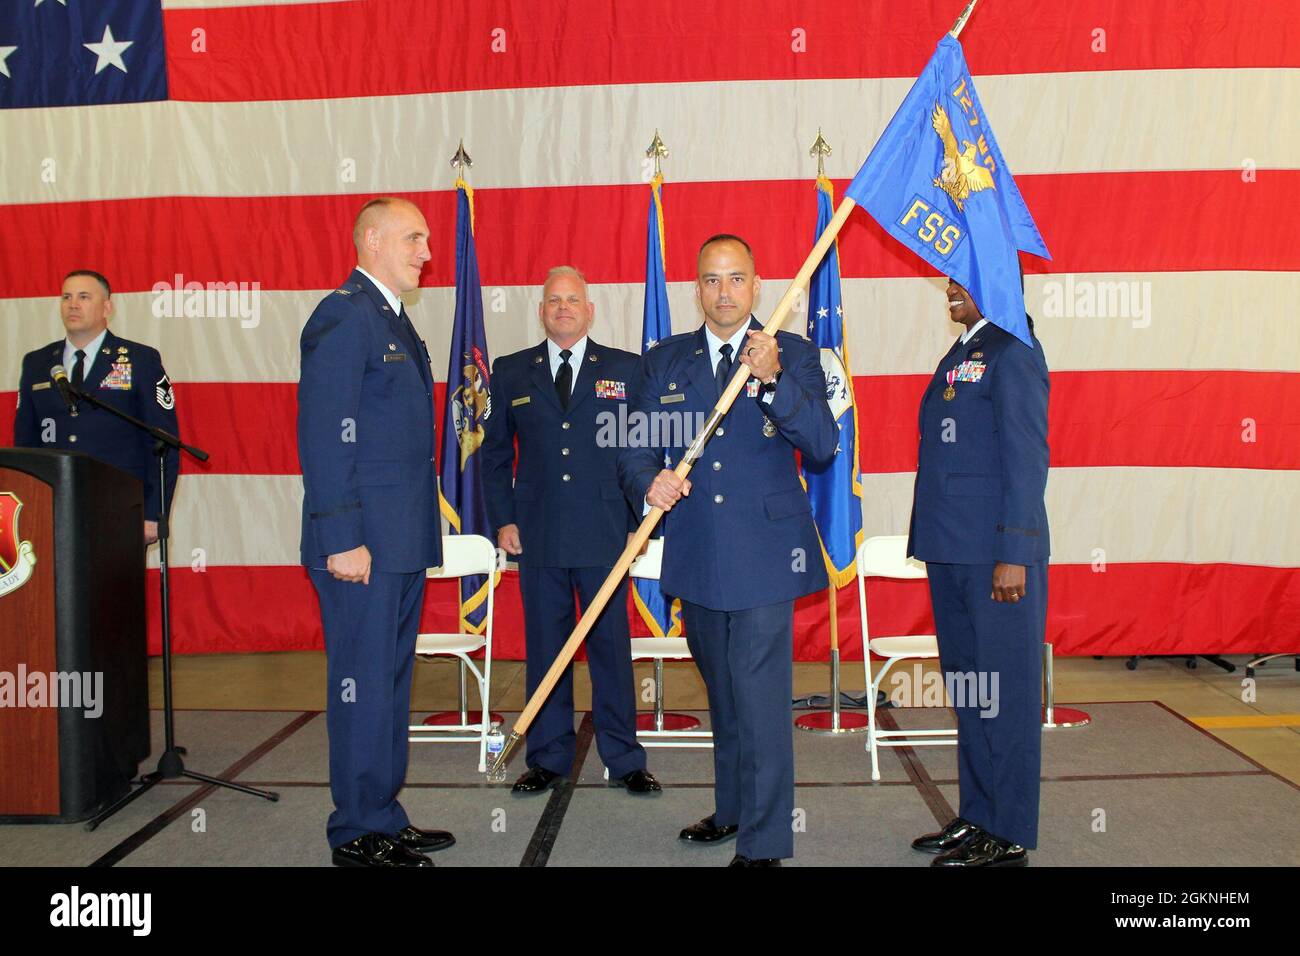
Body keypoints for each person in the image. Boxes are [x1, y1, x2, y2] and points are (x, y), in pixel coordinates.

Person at [618, 235, 837, 866]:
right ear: (696, 289)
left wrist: (771, 380)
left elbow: (823, 442)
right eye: (711, 280)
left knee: (761, 698)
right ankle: (734, 809)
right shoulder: (665, 360)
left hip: (767, 556)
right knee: (724, 692)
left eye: (736, 279)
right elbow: (636, 445)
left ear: (758, 285)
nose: (724, 292)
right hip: (698, 552)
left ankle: (766, 842)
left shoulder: (792, 355)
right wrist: (646, 479)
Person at [298, 196, 453, 867]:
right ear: (371, 239)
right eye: (413, 238)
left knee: (389, 683)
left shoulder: (389, 319)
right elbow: (326, 436)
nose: (426, 251)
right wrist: (341, 537)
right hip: (361, 543)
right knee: (360, 683)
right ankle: (356, 829)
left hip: (396, 539)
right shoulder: (345, 314)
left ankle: (383, 812)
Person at [482, 266, 660, 796]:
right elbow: (493, 456)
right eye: (553, 301)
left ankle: (624, 758)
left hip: (607, 531)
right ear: (541, 311)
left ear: (590, 310)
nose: (563, 308)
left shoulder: (627, 369)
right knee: (546, 648)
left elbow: (643, 447)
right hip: (537, 532)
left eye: (573, 300)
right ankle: (547, 756)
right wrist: (503, 518)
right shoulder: (512, 370)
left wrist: (640, 521)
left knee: (610, 647)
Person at [907, 277, 1050, 867]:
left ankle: (1009, 829)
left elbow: (1026, 454)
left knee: (1005, 698)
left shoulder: (1014, 349)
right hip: (954, 549)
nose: (948, 289)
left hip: (997, 557)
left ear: (994, 279)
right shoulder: (968, 348)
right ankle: (978, 815)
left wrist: (1014, 550)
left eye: (962, 279)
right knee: (970, 692)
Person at [13, 270, 179, 544]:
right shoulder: (37, 363)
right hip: (53, 505)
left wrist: (154, 514)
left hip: (120, 506)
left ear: (107, 307)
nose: (73, 304)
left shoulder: (139, 360)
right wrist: (29, 505)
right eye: (66, 297)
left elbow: (164, 443)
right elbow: (24, 443)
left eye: (84, 296)